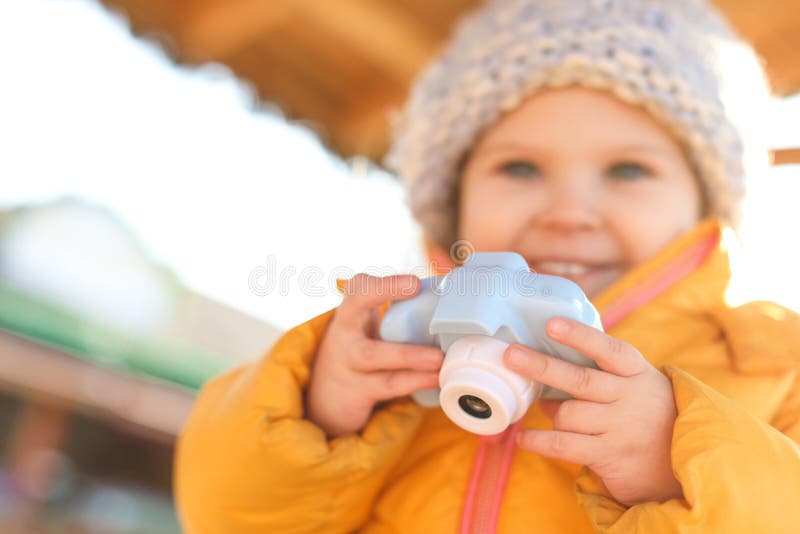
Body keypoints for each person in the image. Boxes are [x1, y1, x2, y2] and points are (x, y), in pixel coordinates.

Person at [174, 0, 800, 532]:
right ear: (453, 198)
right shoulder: (384, 345)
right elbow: (220, 513)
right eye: (519, 168)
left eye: (628, 170)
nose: (567, 212)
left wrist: (682, 466)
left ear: (705, 203)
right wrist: (318, 411)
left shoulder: (774, 363)